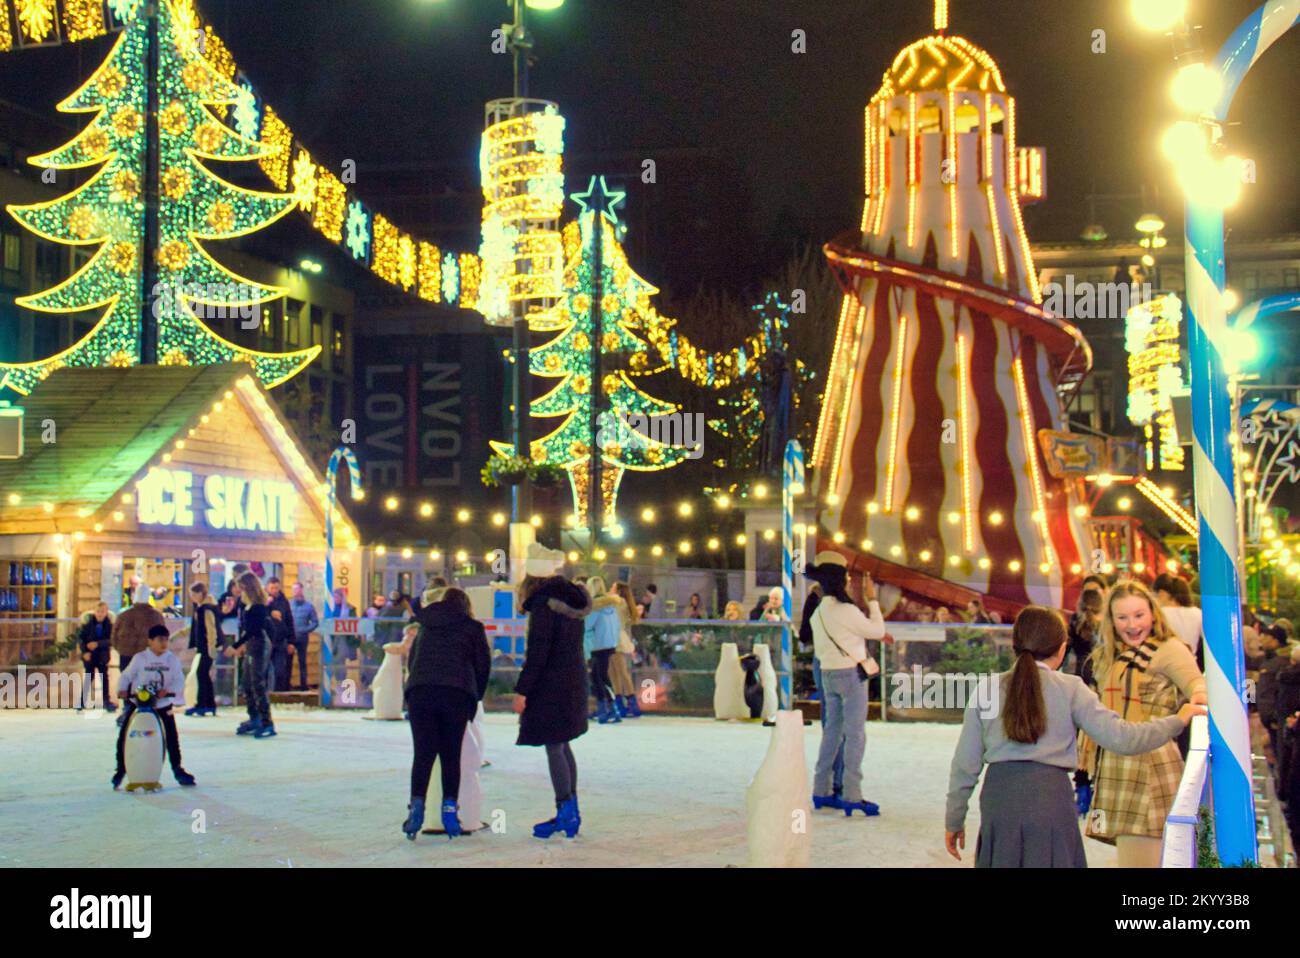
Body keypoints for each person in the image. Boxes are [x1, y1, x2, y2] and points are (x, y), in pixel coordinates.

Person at [945, 606, 1202, 867]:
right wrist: (1177, 720)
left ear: (1015, 645)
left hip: (1000, 800)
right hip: (1051, 799)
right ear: (1061, 649)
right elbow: (1122, 738)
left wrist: (953, 820)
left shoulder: (986, 689)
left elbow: (964, 766)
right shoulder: (1071, 689)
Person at [1082, 581, 1207, 867]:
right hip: (1118, 759)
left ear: (1153, 613)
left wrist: (1194, 704)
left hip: (1152, 761)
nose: (1132, 624)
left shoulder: (1168, 648)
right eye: (1122, 617)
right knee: (1135, 857)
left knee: (1143, 858)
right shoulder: (1108, 654)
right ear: (1111, 621)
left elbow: (1197, 684)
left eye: (1139, 615)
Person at [400, 587, 490, 840]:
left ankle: (416, 806)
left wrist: (412, 689)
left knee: (423, 754)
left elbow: (412, 661)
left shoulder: (426, 624)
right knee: (451, 754)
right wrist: (476, 697)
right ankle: (450, 810)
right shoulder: (472, 627)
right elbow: (483, 666)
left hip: (421, 693)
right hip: (456, 694)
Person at [514, 544, 591, 839]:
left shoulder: (544, 604)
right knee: (563, 743)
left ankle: (566, 811)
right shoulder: (571, 600)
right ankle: (570, 810)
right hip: (572, 681)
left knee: (554, 746)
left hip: (551, 685)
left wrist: (522, 690)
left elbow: (538, 652)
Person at [807, 558, 885, 815]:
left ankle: (821, 789)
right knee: (855, 734)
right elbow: (877, 630)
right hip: (851, 675)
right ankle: (852, 793)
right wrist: (872, 600)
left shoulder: (819, 612)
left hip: (828, 673)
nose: (851, 584)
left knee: (832, 731)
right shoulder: (847, 610)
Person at [113, 624, 196, 789]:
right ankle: (121, 769)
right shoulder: (140, 658)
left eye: (166, 640)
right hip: (140, 703)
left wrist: (170, 691)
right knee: (125, 734)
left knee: (171, 736)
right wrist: (122, 689)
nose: (164, 643)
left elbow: (178, 680)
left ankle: (177, 769)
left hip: (163, 704)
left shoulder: (171, 659)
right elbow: (127, 675)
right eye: (160, 640)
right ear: (150, 641)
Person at [224, 571, 277, 739]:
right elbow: (243, 626)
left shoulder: (259, 607)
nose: (238, 590)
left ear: (248, 587)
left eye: (241, 587)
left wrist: (236, 646)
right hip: (250, 645)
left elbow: (254, 630)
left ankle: (267, 721)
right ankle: (254, 717)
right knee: (246, 683)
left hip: (259, 644)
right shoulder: (244, 604)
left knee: (257, 683)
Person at [583, 576, 623, 725]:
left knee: (597, 677)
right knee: (602, 677)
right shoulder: (611, 606)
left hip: (598, 646)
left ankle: (604, 708)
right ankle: (611, 708)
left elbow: (587, 625)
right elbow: (617, 625)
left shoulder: (595, 607)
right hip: (609, 644)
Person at [112, 584, 165, 682]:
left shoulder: (123, 615)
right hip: (149, 656)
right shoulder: (157, 616)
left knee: (127, 684)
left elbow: (114, 636)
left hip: (126, 655)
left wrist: (120, 649)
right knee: (148, 686)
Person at [184, 583, 220, 717]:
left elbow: (211, 629)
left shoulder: (206, 609)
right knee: (203, 674)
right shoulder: (201, 608)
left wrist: (212, 647)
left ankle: (202, 704)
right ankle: (209, 704)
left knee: (201, 673)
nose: (191, 597)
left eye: (193, 594)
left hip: (207, 646)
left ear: (200, 594)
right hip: (204, 646)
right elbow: (194, 627)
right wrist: (177, 635)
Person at [607, 580, 641, 718]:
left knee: (620, 671)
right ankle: (620, 702)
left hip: (615, 638)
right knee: (614, 671)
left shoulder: (619, 602)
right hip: (613, 636)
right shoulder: (620, 602)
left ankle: (631, 702)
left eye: (613, 587)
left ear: (619, 591)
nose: (610, 589)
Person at [1152, 573, 1203, 659]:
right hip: (1191, 662)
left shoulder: (1159, 614)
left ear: (1162, 593)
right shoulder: (1197, 613)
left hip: (1165, 663)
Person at [77, 603, 116, 712]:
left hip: (102, 656)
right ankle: (82, 701)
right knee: (89, 677)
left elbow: (111, 640)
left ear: (106, 612)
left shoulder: (109, 625)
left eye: (102, 612)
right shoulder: (88, 624)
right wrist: (85, 652)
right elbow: (81, 639)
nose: (100, 614)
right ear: (94, 612)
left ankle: (106, 701)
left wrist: (98, 644)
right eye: (98, 611)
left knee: (104, 678)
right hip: (90, 655)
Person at [288, 582, 318, 691]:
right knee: (288, 661)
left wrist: (305, 630)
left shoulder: (309, 606)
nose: (296, 592)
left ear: (302, 590)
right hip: (290, 638)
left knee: (302, 661)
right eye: (294, 590)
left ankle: (303, 685)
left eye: (298, 590)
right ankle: (287, 684)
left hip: (302, 638)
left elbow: (315, 622)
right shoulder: (289, 604)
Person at [265, 577, 294, 692]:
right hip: (266, 639)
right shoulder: (262, 599)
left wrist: (291, 641)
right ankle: (264, 694)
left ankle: (278, 694)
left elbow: (289, 621)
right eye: (272, 588)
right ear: (267, 587)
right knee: (264, 670)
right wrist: (269, 611)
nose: (274, 590)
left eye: (276, 588)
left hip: (281, 640)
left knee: (280, 670)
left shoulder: (284, 601)